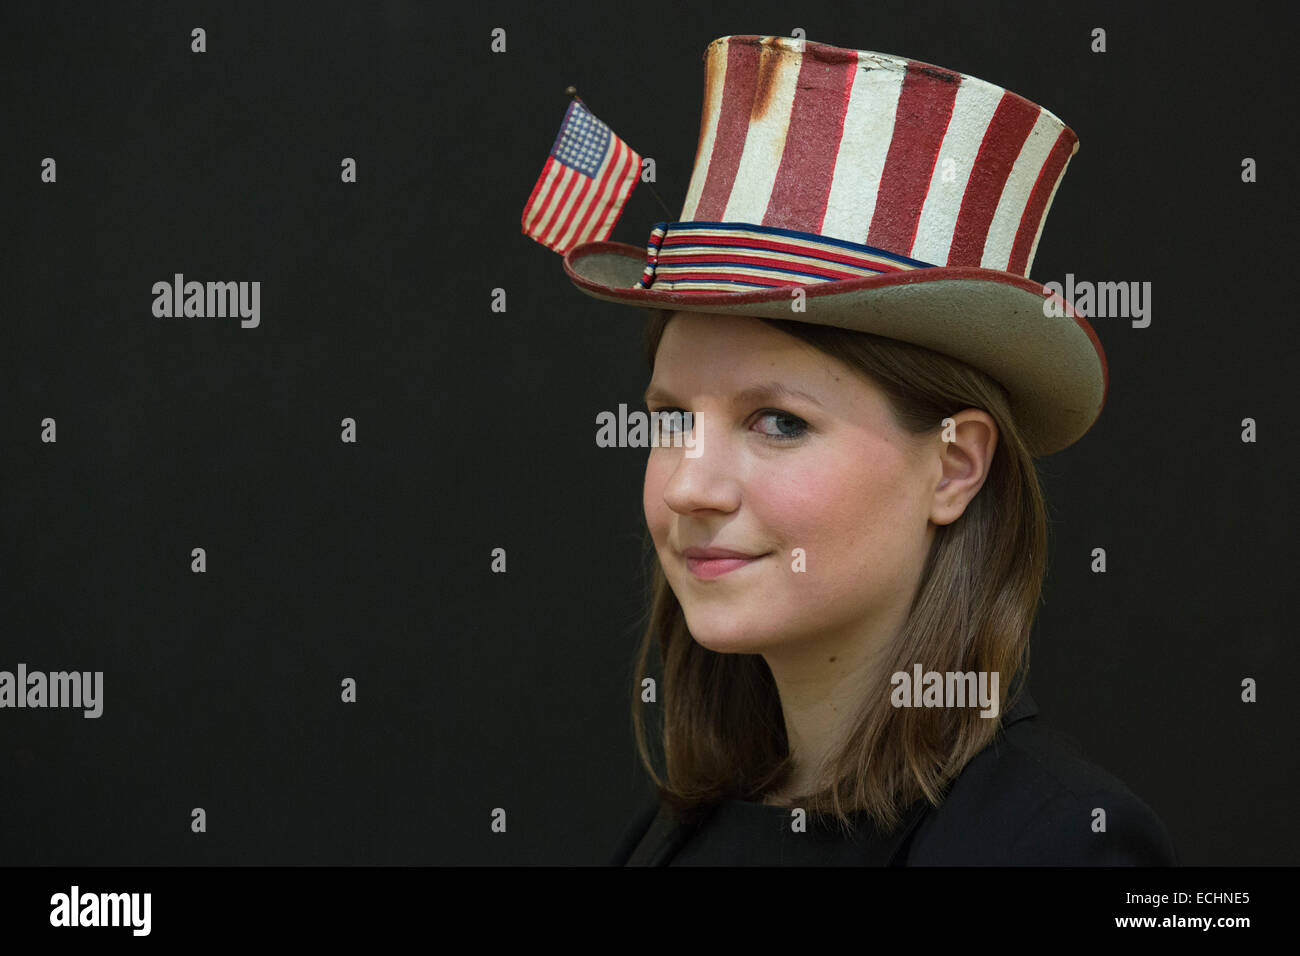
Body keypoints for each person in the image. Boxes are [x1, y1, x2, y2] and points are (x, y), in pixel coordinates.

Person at [559, 34, 1177, 865]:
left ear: (956, 467)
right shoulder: (675, 835)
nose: (689, 487)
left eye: (778, 421)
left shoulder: (1058, 845)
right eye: (671, 420)